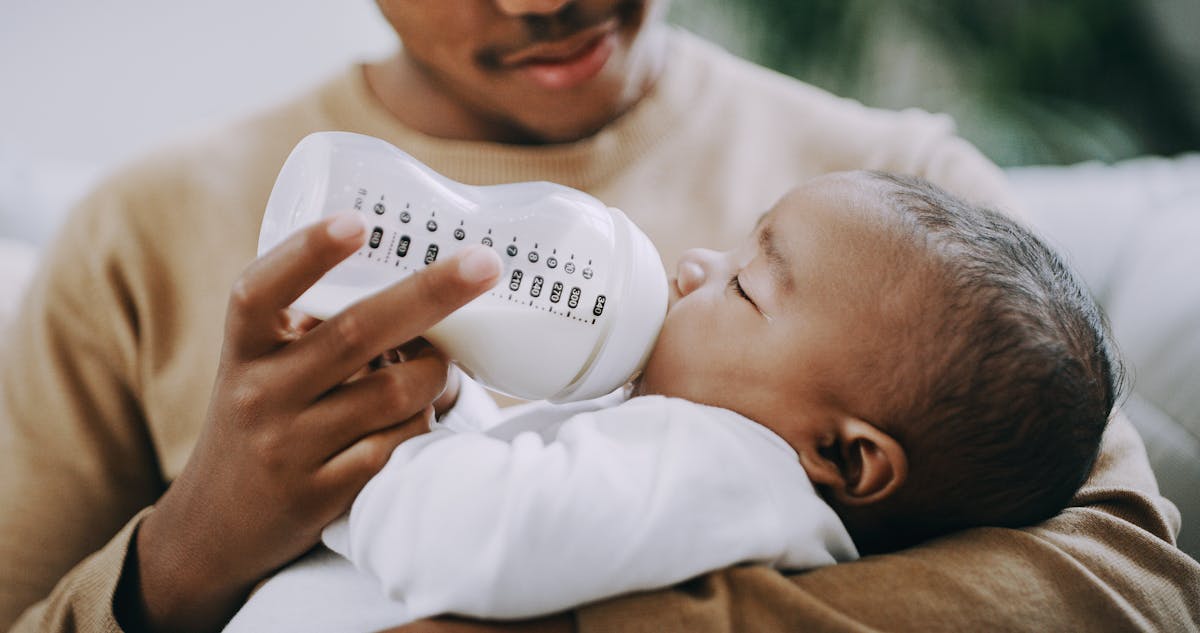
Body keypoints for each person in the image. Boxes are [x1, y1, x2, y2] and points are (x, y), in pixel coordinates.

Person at [0, 0, 1195, 631]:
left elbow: (1133, 594)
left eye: (745, 281)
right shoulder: (141, 232)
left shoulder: (905, 202)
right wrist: (194, 547)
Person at [220, 170, 1119, 633]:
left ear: (844, 455)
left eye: (746, 286)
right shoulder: (698, 471)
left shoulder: (727, 470)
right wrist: (446, 406)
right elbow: (519, 498)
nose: (694, 265)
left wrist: (371, 452)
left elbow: (465, 539)